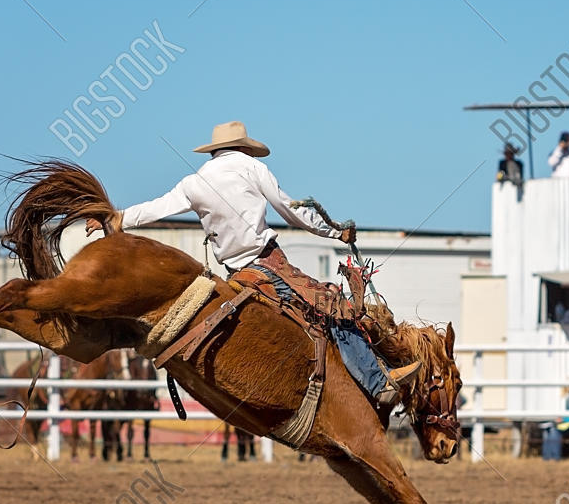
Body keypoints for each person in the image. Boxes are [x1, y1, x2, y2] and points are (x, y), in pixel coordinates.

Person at [89, 120, 419, 409]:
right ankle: (379, 383)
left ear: (213, 152)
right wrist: (335, 232)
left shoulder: (193, 183)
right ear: (244, 148)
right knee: (332, 307)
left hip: (236, 274)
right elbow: (292, 210)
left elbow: (156, 208)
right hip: (270, 266)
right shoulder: (251, 168)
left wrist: (116, 218)